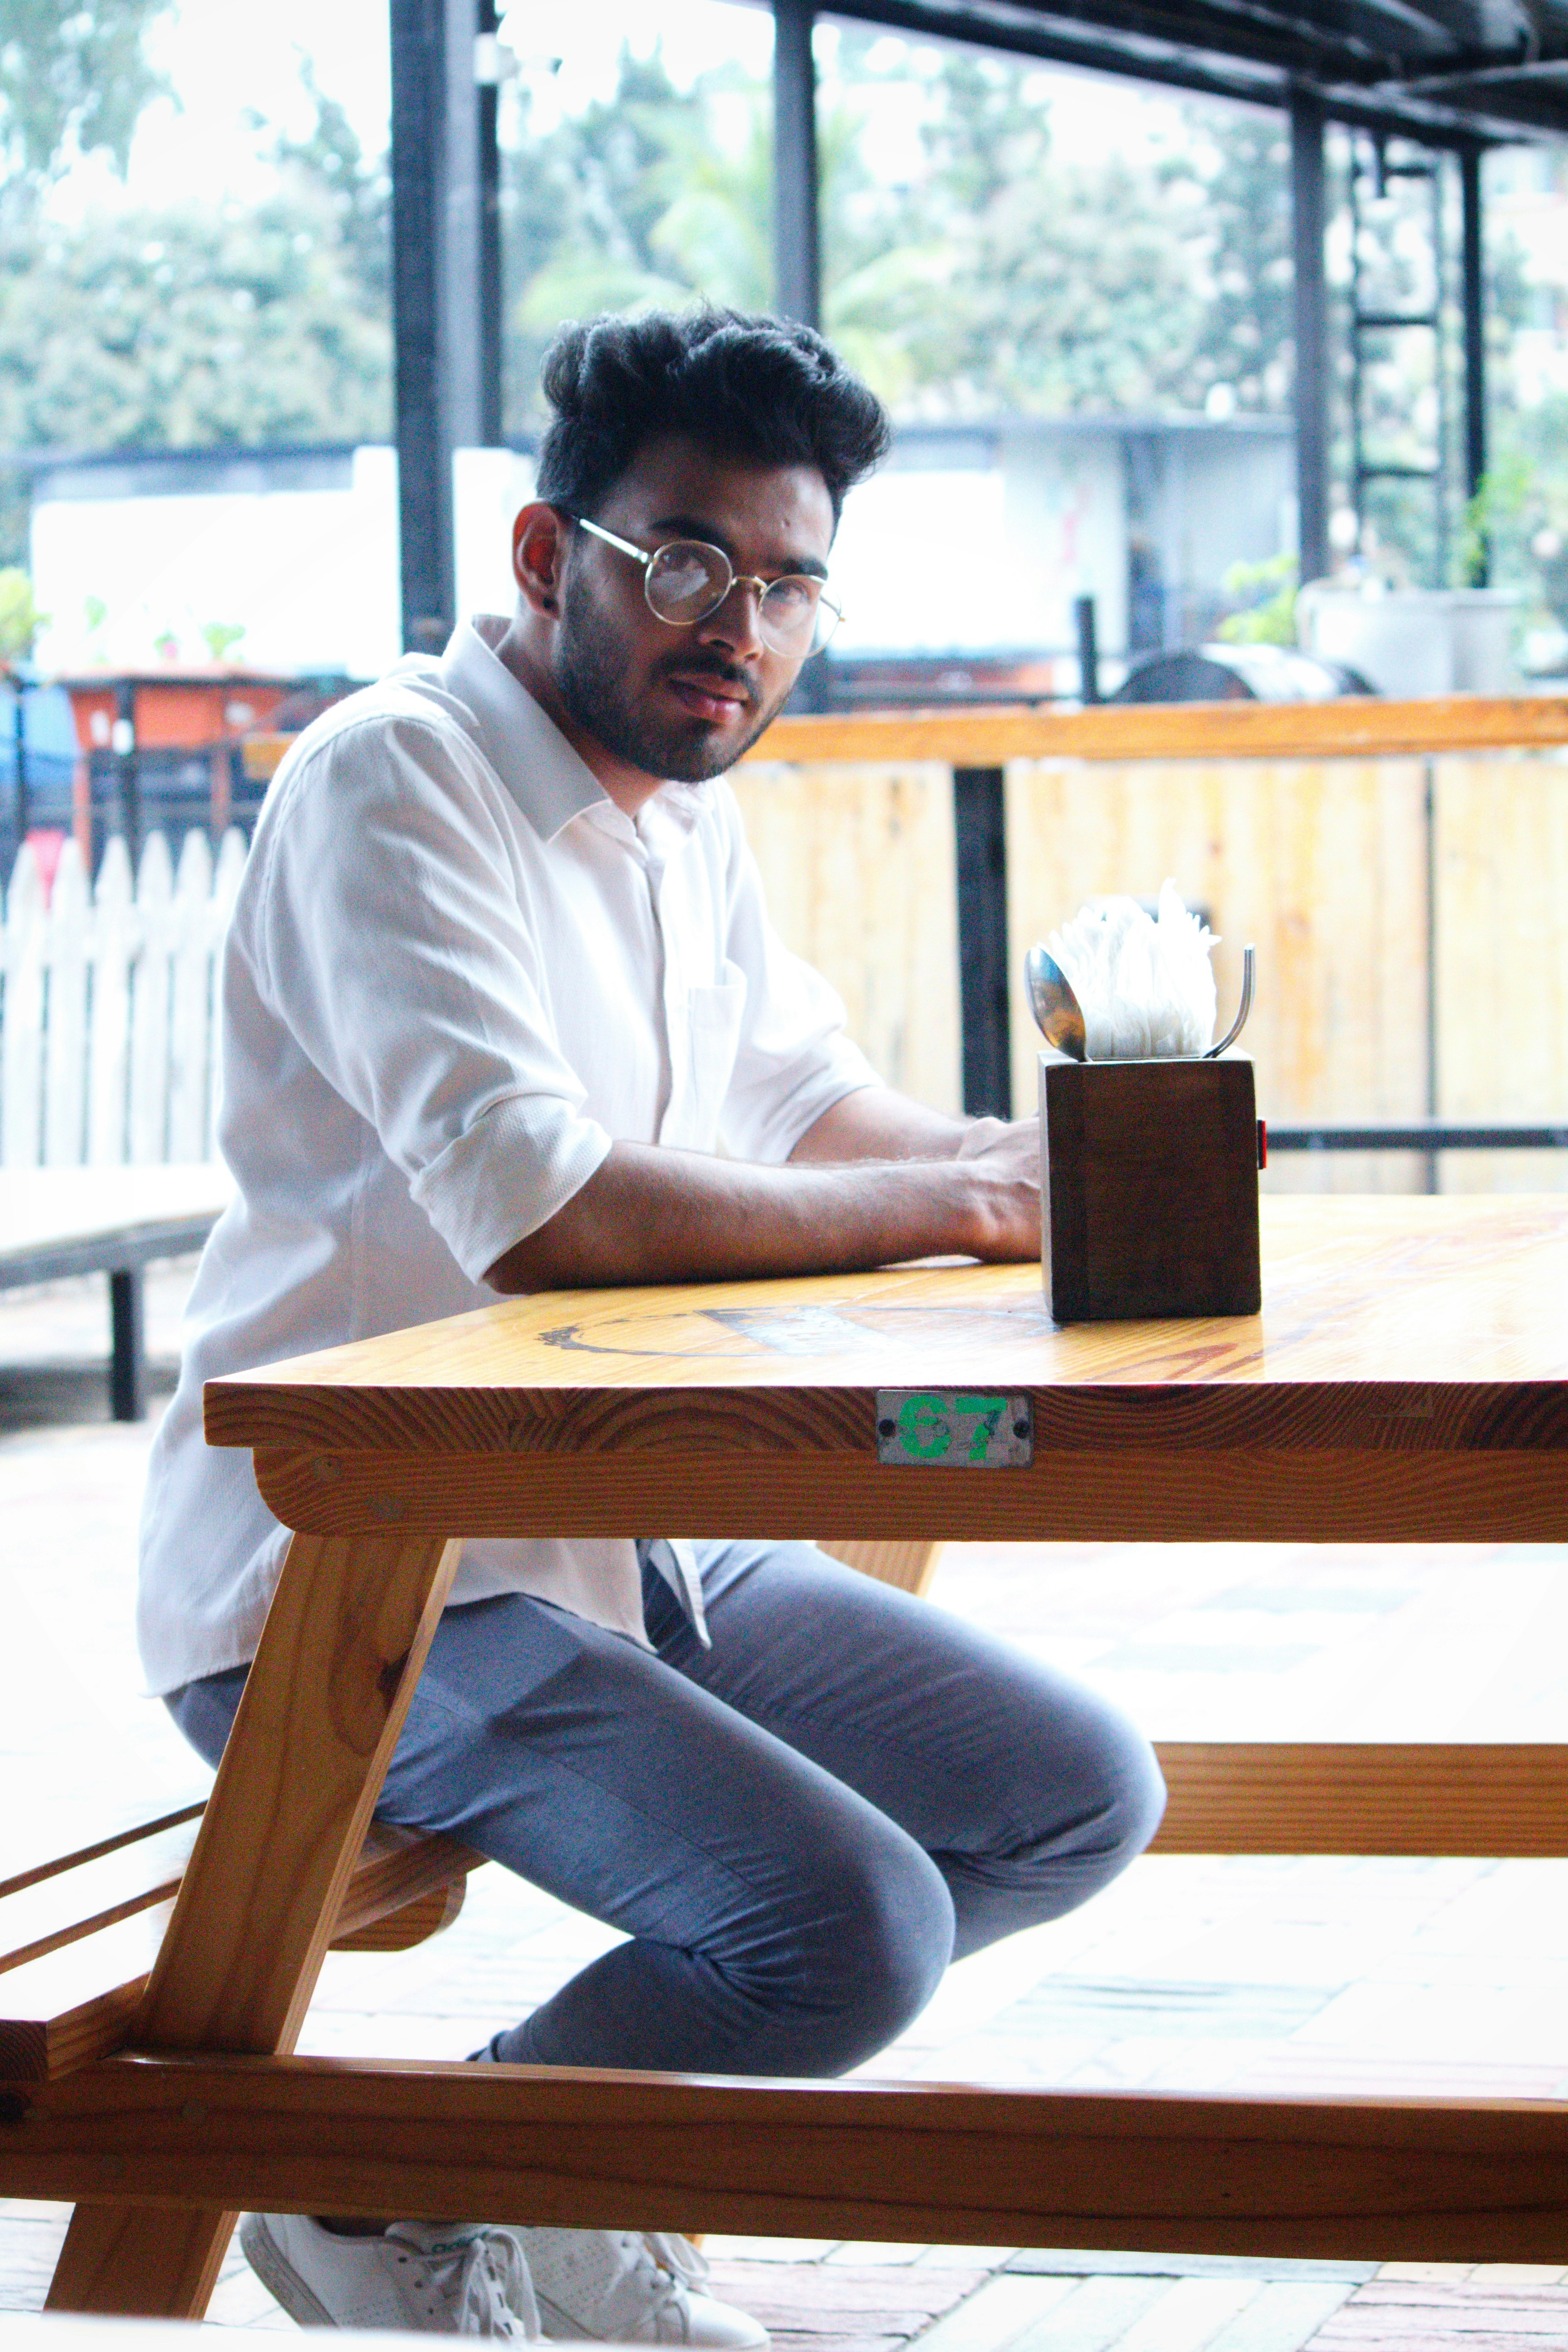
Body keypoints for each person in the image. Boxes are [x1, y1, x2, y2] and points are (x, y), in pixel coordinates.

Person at [141, 308, 1165, 2342]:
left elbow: (806, 1110)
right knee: (842, 1930)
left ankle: (509, 2185)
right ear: (551, 557)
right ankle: (415, 2206)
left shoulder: (682, 818)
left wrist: (1032, 1165)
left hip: (635, 1534)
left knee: (1069, 1795)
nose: (745, 626)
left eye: (790, 583)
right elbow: (543, 1208)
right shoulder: (398, 781)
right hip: (356, 1579)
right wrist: (946, 1202)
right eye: (690, 561)